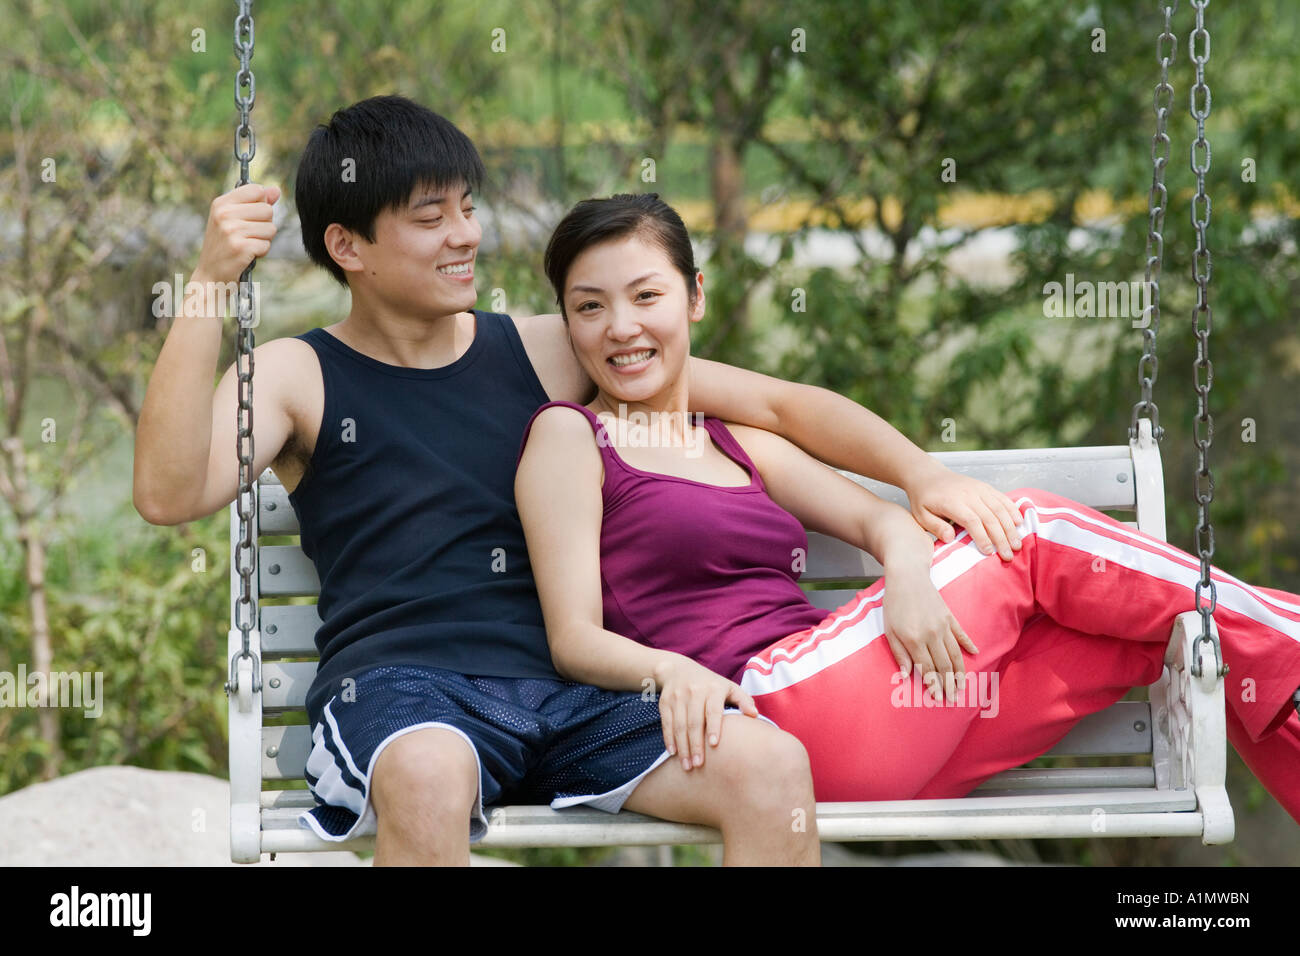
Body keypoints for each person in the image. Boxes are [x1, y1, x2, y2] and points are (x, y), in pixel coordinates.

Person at [133, 95, 1022, 865]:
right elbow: (170, 494)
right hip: (405, 691)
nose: (466, 235)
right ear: (347, 245)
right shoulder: (299, 374)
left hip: (576, 689)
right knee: (432, 772)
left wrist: (918, 476)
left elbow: (781, 409)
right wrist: (211, 282)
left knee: (770, 770)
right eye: (430, 216)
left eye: (468, 207)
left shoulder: (543, 348)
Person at [513, 192, 1300, 823]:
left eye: (645, 295)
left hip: (888, 732)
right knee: (1022, 526)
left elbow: (879, 518)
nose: (620, 327)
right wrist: (668, 670)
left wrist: (909, 571)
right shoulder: (574, 438)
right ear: (566, 324)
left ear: (694, 299)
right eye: (588, 308)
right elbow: (573, 636)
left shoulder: (738, 441)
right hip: (775, 709)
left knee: (1179, 640)